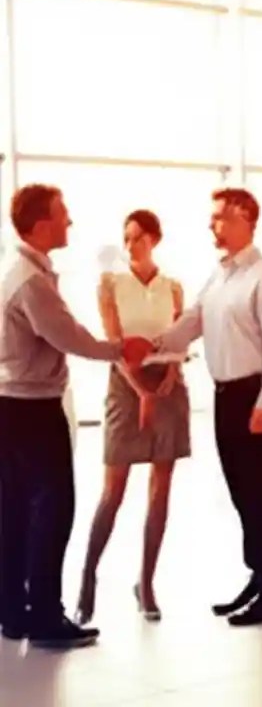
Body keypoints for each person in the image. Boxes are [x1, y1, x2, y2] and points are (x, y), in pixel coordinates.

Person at [0, 183, 152, 648]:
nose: (69, 222)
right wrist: (121, 350)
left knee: (14, 512)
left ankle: (13, 611)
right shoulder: (30, 280)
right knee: (53, 509)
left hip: (10, 406)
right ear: (42, 224)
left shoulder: (20, 270)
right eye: (63, 215)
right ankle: (46, 616)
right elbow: (68, 336)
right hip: (31, 411)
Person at [152, 187, 262, 627]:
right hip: (225, 397)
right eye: (212, 218)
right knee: (241, 493)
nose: (212, 226)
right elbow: (191, 322)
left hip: (255, 397)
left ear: (246, 218)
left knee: (260, 494)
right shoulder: (219, 277)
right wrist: (152, 346)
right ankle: (259, 577)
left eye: (219, 218)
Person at [75, 210, 191, 626]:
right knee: (113, 492)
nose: (131, 244)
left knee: (160, 493)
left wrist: (169, 379)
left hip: (168, 387)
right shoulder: (110, 284)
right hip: (126, 387)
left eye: (139, 237)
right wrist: (142, 390)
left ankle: (146, 583)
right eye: (126, 238)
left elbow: (177, 338)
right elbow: (114, 342)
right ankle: (87, 580)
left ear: (155, 239)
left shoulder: (173, 287)